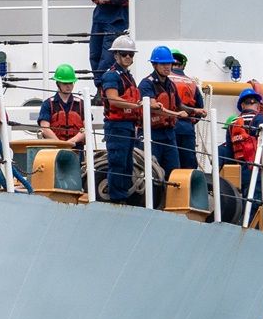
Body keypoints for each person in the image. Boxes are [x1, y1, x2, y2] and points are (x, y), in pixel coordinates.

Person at [221, 84, 263, 226]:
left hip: (241, 170)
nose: (253, 104)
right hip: (257, 169)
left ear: (241, 105)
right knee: (256, 202)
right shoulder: (259, 120)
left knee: (244, 200)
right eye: (254, 102)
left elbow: (229, 152)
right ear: (257, 105)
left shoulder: (233, 123)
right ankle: (251, 228)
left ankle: (243, 224)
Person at [97, 35, 143, 203]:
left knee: (127, 163)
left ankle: (123, 195)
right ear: (116, 55)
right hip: (116, 126)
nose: (128, 57)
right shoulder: (111, 76)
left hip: (129, 125)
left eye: (131, 54)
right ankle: (117, 197)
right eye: (124, 54)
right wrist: (137, 106)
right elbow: (113, 99)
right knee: (117, 161)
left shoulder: (128, 77)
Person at [139, 46, 185, 184]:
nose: (167, 67)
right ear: (154, 65)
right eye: (163, 64)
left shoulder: (170, 84)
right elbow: (154, 107)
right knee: (152, 172)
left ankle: (170, 202)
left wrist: (195, 111)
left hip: (169, 134)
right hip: (152, 134)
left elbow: (179, 105)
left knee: (173, 171)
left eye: (169, 63)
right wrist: (177, 114)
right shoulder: (146, 84)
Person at [169, 48, 207, 173]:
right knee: (188, 165)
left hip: (167, 126)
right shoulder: (192, 83)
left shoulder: (163, 80)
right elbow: (199, 110)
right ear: (183, 65)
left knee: (169, 163)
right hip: (187, 128)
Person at [35, 64, 87, 143]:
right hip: (54, 150)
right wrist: (60, 144)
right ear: (58, 84)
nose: (68, 86)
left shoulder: (81, 104)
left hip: (77, 149)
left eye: (71, 83)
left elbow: (87, 128)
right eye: (65, 83)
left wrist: (72, 142)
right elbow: (44, 128)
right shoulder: (48, 104)